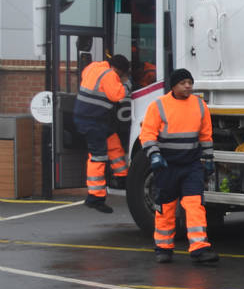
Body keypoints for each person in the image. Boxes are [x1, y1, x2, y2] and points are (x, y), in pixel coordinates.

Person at [140, 68, 218, 264]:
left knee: (195, 205)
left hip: (191, 164)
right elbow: (147, 134)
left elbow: (205, 135)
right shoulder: (159, 106)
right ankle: (163, 248)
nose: (188, 86)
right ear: (173, 86)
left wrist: (208, 159)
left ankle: (199, 248)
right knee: (166, 207)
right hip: (167, 165)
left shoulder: (200, 106)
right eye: (183, 83)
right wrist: (155, 155)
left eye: (190, 83)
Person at [72, 53, 131, 213]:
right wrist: (127, 85)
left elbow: (88, 79)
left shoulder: (94, 67)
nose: (121, 77)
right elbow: (117, 95)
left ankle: (122, 178)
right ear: (118, 70)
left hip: (91, 118)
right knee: (98, 156)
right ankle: (95, 197)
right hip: (92, 120)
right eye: (122, 74)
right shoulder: (110, 75)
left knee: (113, 143)